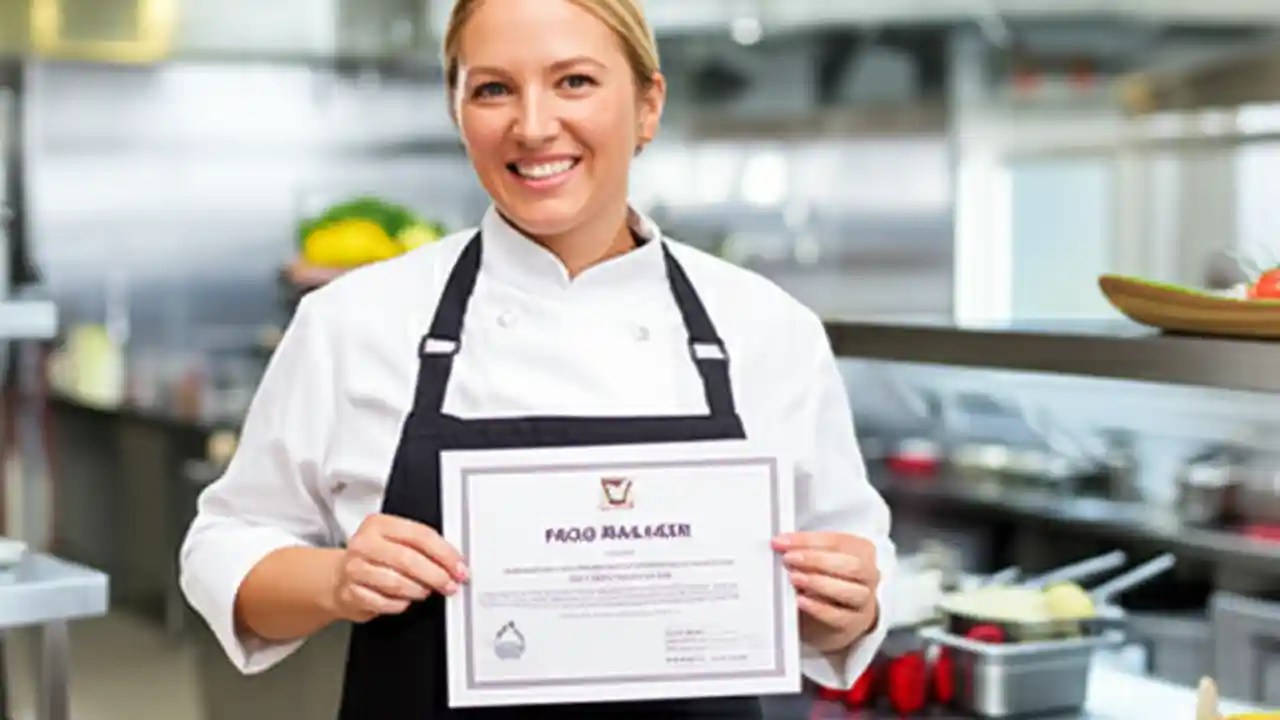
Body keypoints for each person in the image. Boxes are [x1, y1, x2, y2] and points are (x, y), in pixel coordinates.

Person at [178, 0, 896, 717]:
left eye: (574, 81)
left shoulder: (768, 330)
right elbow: (225, 547)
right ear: (457, 112)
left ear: (648, 105)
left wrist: (848, 603)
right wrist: (336, 580)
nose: (533, 125)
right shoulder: (354, 320)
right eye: (492, 89)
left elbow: (853, 575)